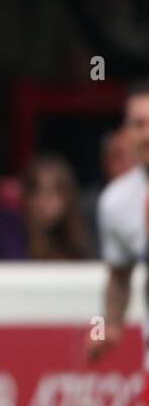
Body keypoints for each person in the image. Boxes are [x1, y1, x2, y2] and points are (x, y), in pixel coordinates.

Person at [88, 81, 149, 366]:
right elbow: (119, 275)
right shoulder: (116, 201)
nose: (147, 134)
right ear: (126, 133)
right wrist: (108, 326)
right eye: (138, 124)